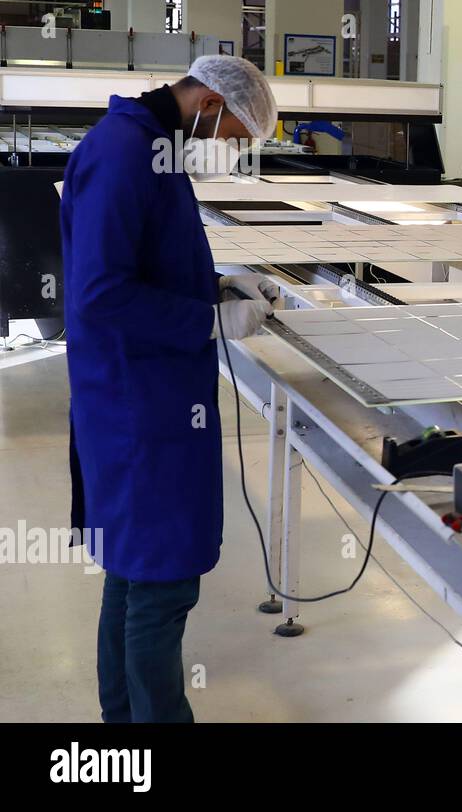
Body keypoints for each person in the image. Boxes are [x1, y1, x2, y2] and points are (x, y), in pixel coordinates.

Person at [61, 54, 280, 722]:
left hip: (142, 398)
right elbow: (101, 292)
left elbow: (147, 262)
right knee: (160, 588)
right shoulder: (127, 152)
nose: (232, 157)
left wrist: (219, 289)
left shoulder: (148, 147)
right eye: (237, 142)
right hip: (140, 408)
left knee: (132, 576)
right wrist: (206, 320)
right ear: (211, 105)